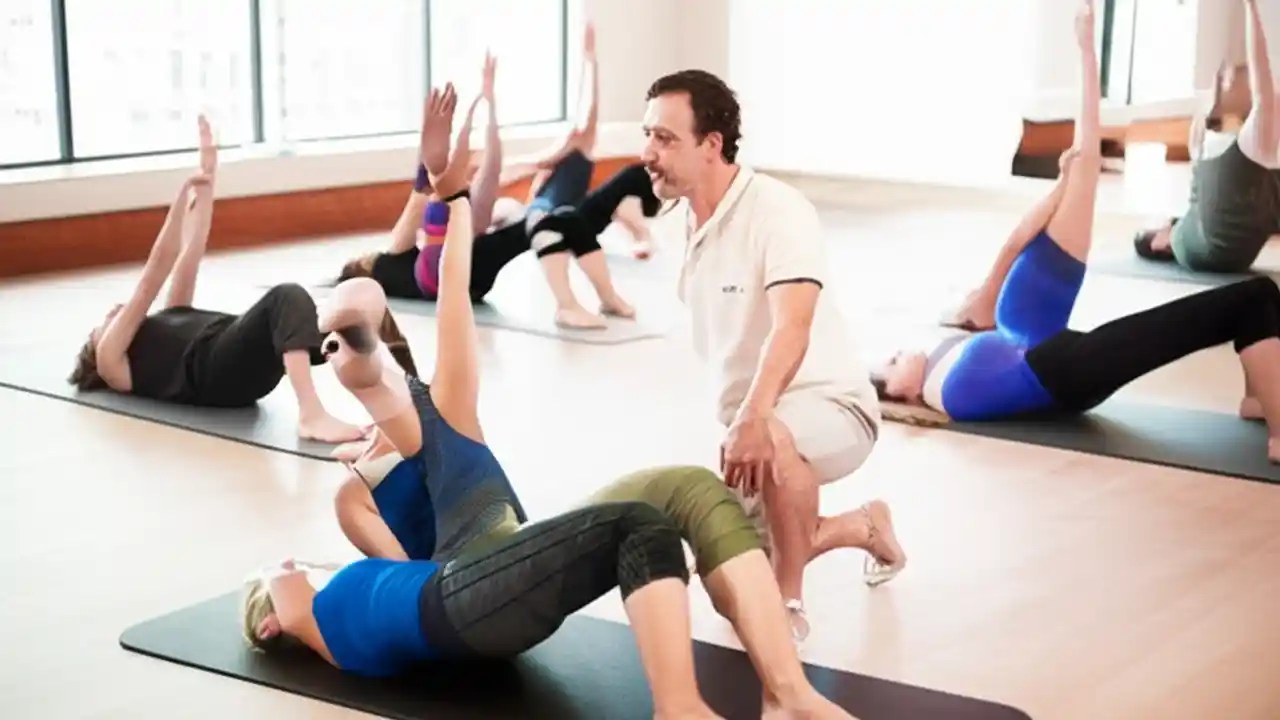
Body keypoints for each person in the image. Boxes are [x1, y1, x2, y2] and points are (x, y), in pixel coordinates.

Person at [238, 85, 853, 720]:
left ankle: (789, 695)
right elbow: (407, 570)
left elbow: (437, 300)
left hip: (507, 559)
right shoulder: (365, 486)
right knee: (636, 526)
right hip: (473, 583)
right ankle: (684, 710)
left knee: (693, 488)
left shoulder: (445, 417)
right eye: (270, 578)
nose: (284, 564)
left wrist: (441, 191)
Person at [875, 2, 1280, 465]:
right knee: (1251, 298)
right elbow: (1011, 250)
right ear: (899, 397)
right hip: (1064, 371)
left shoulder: (970, 332)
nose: (897, 354)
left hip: (1051, 346)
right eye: (890, 366)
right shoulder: (942, 387)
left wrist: (1086, 51)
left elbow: (1029, 226)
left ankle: (1258, 397)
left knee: (1261, 297)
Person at [639, 69, 904, 641]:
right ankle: (860, 526)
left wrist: (756, 417)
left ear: (712, 145)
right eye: (648, 136)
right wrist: (747, 422)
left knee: (780, 448)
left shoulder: (778, 210)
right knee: (727, 580)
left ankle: (787, 607)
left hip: (833, 407)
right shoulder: (679, 221)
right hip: (746, 429)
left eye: (664, 138)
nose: (648, 153)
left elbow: (793, 325)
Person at [66, 116, 393, 443]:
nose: (111, 313)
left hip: (243, 354)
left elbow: (191, 250)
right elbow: (151, 279)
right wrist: (180, 200)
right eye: (102, 326)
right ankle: (311, 415)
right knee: (286, 296)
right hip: (216, 370)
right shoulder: (112, 364)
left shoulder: (171, 314)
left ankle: (390, 401)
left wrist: (207, 176)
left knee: (355, 300)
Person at [339, 26, 656, 330]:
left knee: (547, 219)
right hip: (456, 277)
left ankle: (595, 298)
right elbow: (426, 194)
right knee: (529, 218)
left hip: (467, 283)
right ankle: (580, 301)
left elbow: (456, 184)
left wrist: (476, 117)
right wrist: (440, 150)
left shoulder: (401, 263)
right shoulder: (386, 263)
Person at [1133, 0, 1279, 273]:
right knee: (1265, 102)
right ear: (1157, 244)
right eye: (1160, 227)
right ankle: (1251, 8)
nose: (1168, 222)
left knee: (1267, 105)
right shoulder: (1182, 243)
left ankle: (1252, 12)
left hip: (1241, 225)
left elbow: (1196, 159)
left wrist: (1209, 105)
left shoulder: (1192, 240)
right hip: (1230, 220)